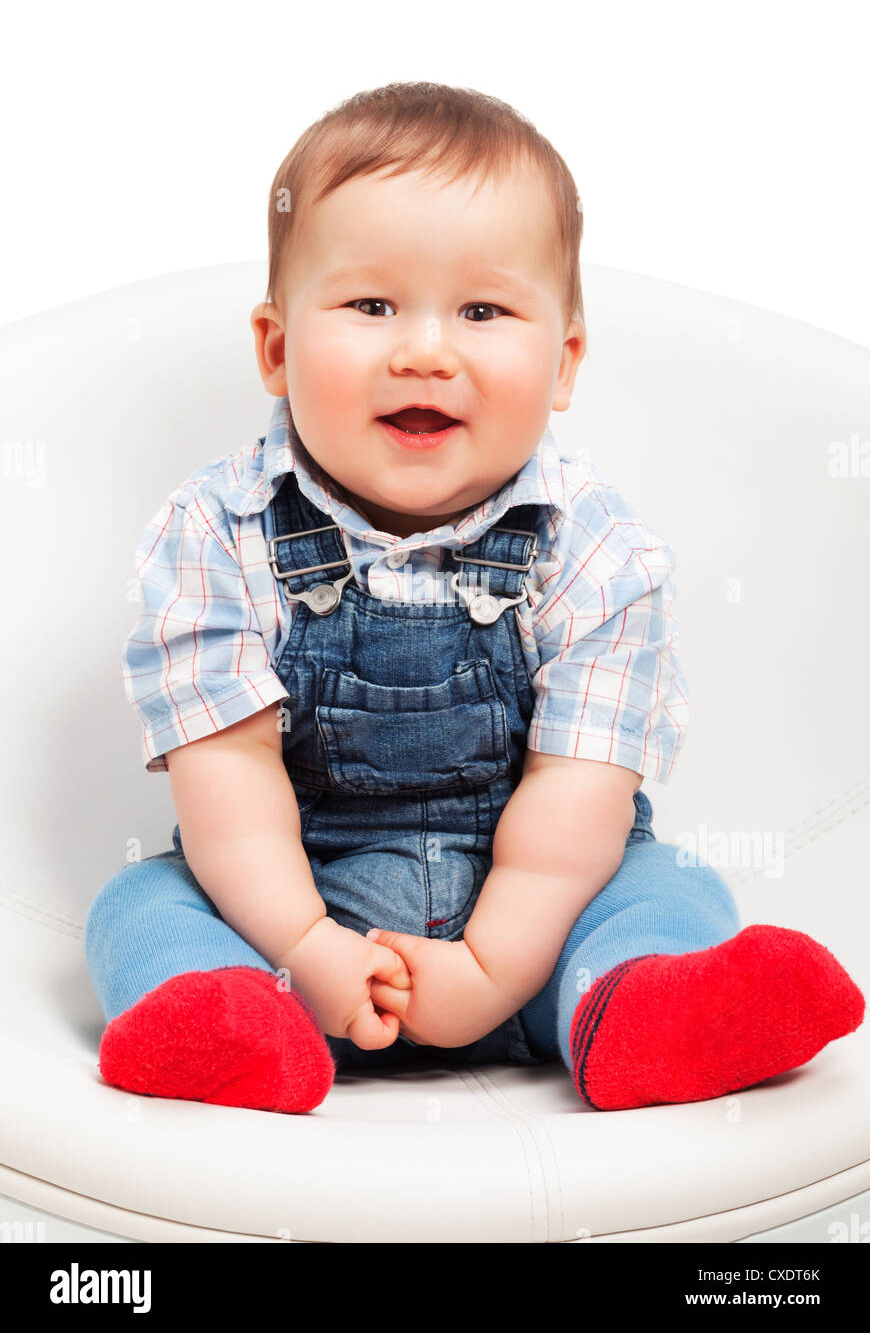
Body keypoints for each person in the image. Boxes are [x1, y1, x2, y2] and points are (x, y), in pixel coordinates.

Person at [85, 81, 864, 1115]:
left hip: (542, 922)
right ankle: (237, 1022)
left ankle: (634, 1009)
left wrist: (495, 968)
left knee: (671, 889)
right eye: (370, 305)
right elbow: (230, 791)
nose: (425, 349)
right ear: (275, 349)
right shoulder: (220, 533)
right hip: (290, 911)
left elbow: (575, 804)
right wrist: (307, 948)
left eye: (484, 310)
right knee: (138, 903)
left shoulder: (594, 547)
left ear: (563, 363)